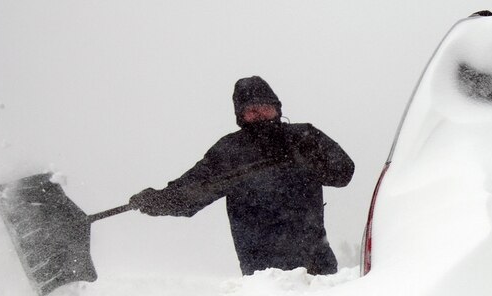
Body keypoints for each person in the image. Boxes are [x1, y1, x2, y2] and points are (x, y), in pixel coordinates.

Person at [129, 76, 354, 275]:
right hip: (262, 273)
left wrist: (310, 160)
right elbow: (190, 193)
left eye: (265, 107)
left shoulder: (303, 136)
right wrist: (156, 200)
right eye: (251, 110)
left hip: (315, 263)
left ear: (277, 108)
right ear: (241, 116)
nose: (260, 114)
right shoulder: (229, 151)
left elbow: (343, 172)